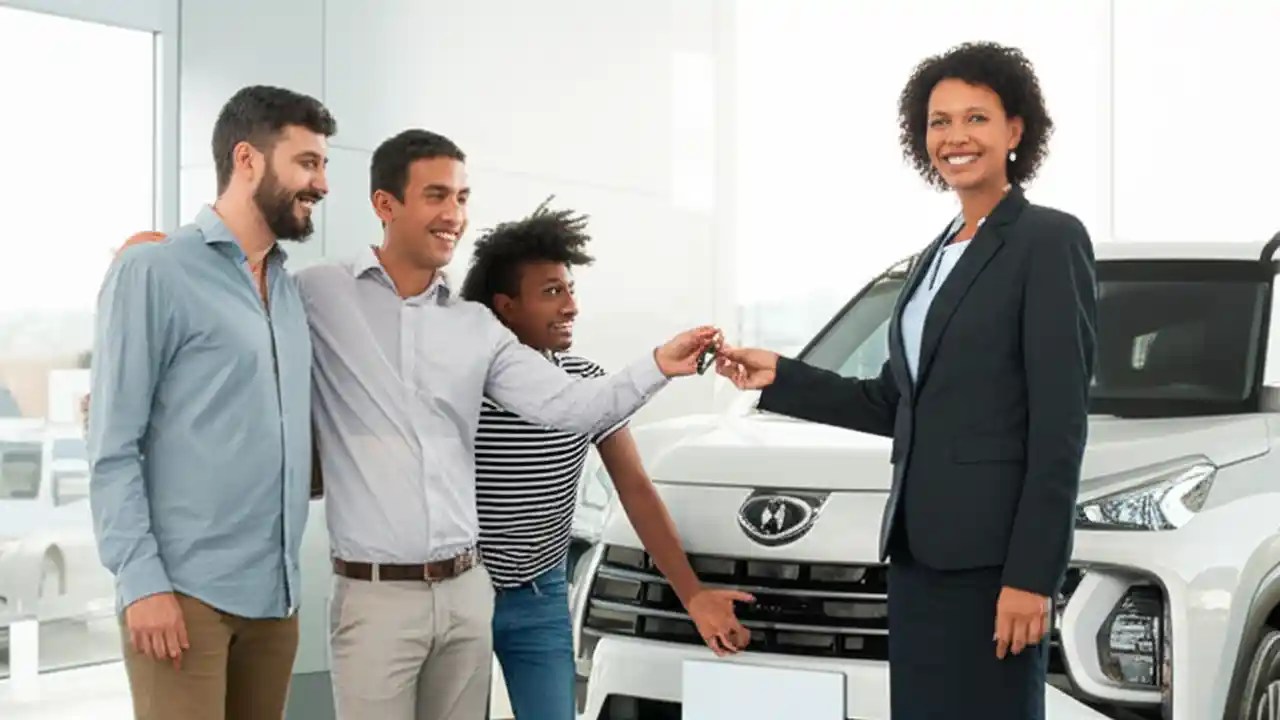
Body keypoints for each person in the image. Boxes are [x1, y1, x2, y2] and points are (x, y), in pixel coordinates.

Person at [714, 42, 1097, 720]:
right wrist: (782, 377)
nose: (955, 137)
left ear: (1015, 131)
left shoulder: (1048, 240)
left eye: (976, 118)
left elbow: (1059, 427)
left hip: (991, 564)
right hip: (917, 554)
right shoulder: (931, 258)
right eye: (939, 121)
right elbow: (896, 402)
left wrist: (1032, 578)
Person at [292, 129, 719, 720]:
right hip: (378, 595)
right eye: (437, 195)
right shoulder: (319, 292)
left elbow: (576, 407)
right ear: (385, 204)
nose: (454, 213)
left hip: (480, 590)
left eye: (462, 197)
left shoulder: (476, 330)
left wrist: (657, 365)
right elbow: (249, 314)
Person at [87, 85, 335, 720]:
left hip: (276, 598)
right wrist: (140, 582)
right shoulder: (155, 271)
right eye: (307, 163)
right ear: (247, 159)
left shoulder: (288, 290)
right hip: (181, 595)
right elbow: (111, 445)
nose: (322, 184)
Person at [458, 199, 753, 718]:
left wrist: (693, 596)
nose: (571, 306)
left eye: (570, 289)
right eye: (552, 292)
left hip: (541, 596)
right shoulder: (464, 384)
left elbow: (634, 487)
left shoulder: (588, 381)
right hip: (464, 595)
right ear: (506, 306)